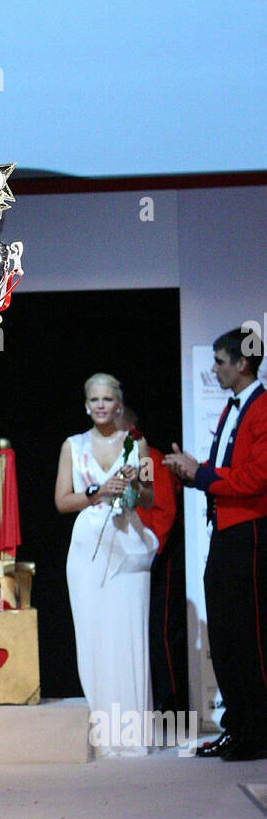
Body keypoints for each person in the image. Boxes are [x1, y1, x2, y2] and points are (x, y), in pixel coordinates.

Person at [165, 326, 267, 761]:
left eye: (220, 361)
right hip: (225, 531)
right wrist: (191, 473)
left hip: (251, 533)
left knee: (250, 637)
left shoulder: (262, 409)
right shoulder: (235, 408)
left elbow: (254, 478)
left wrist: (200, 473)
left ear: (242, 364)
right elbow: (228, 470)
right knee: (226, 636)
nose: (214, 369)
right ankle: (239, 727)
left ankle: (258, 730)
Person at [55, 374, 157, 757]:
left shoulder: (137, 444)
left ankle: (131, 736)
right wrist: (98, 492)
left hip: (128, 548)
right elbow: (62, 501)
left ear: (118, 404)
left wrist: (134, 483)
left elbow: (148, 499)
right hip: (86, 552)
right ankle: (102, 734)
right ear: (86, 404)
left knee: (127, 637)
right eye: (94, 399)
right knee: (94, 637)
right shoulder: (73, 446)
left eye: (108, 399)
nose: (101, 405)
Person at [123, 407, 188, 717]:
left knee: (161, 631)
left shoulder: (150, 460)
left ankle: (172, 704)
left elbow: (164, 513)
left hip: (158, 557)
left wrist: (149, 554)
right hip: (130, 560)